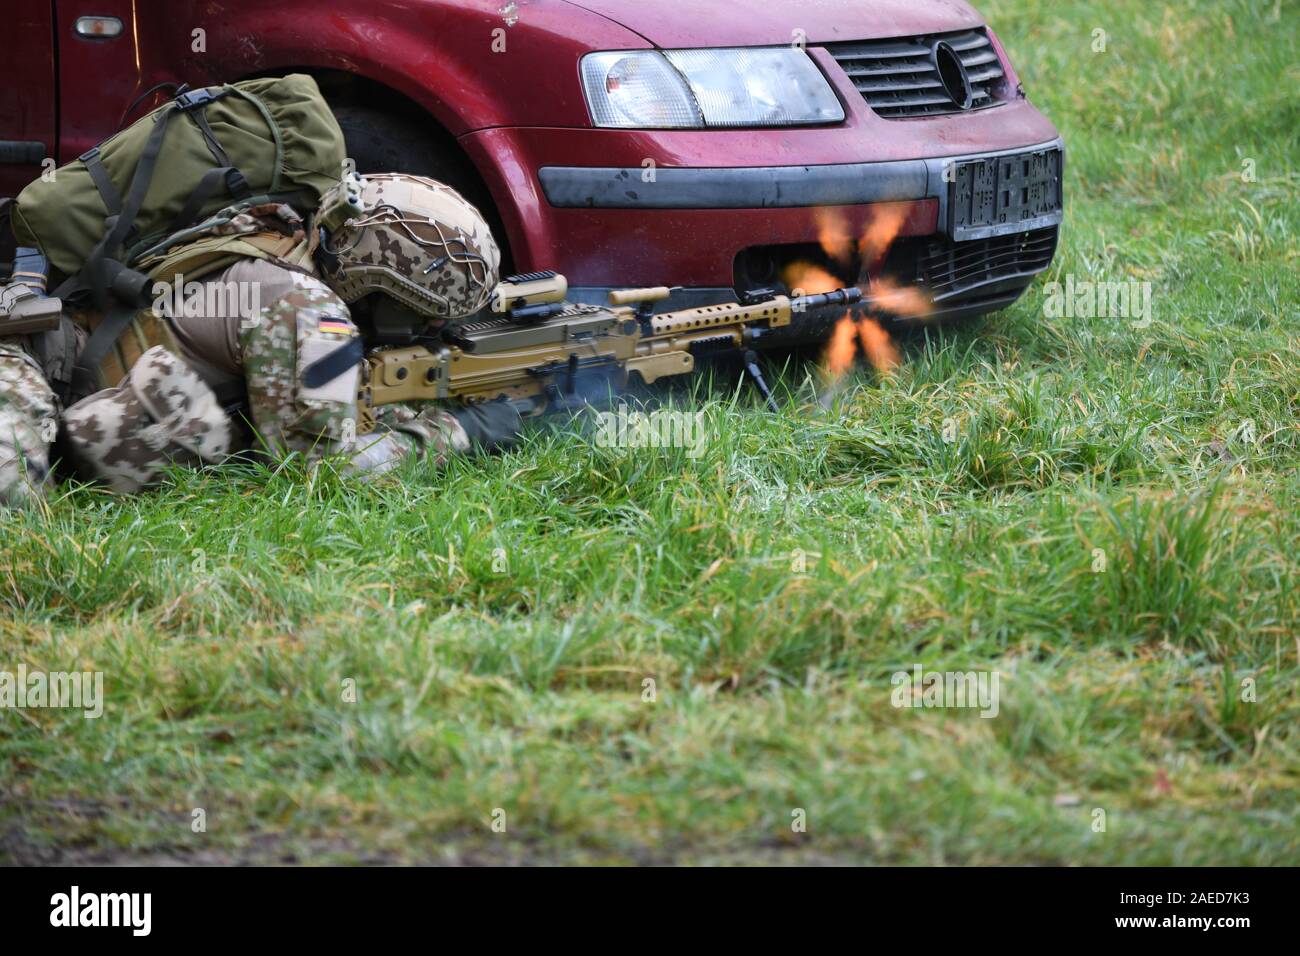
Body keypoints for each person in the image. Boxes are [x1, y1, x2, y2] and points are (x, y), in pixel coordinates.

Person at [0, 173, 522, 508]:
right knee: (15, 511)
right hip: (26, 362)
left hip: (67, 369)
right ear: (382, 289)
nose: (426, 333)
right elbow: (319, 478)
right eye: (422, 318)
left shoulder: (286, 239)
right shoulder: (305, 310)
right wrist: (458, 432)